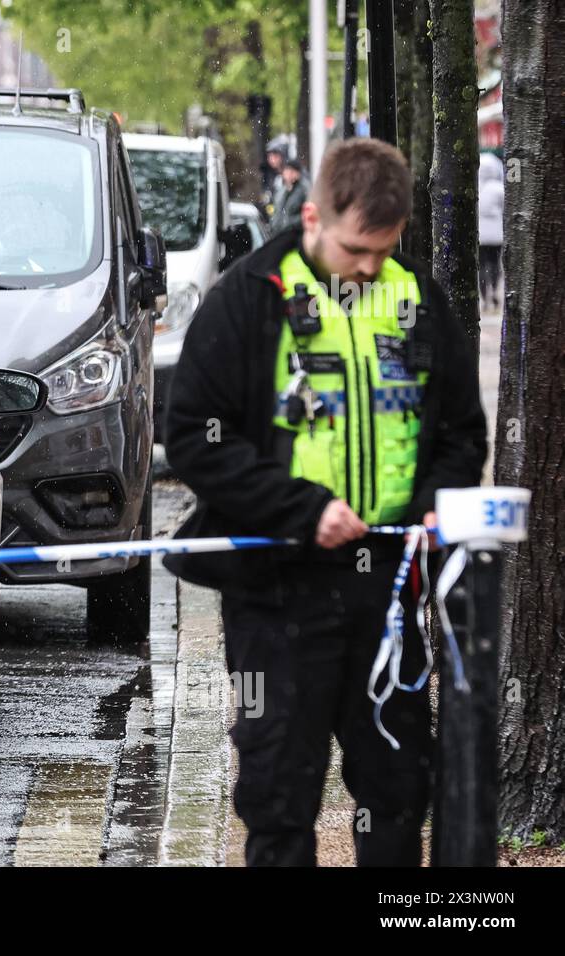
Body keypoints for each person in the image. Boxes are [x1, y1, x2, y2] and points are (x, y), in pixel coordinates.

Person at [163, 138, 486, 866]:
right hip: (278, 589)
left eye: (384, 250)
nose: (370, 268)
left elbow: (462, 434)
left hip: (392, 586)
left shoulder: (417, 301)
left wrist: (438, 502)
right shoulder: (247, 300)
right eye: (354, 250)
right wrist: (301, 509)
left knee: (399, 782)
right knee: (279, 791)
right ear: (312, 215)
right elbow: (193, 437)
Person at [477, 151, 504, 313]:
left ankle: (484, 295)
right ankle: (494, 288)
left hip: (481, 235)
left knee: (482, 265)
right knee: (495, 263)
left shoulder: (476, 186)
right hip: (496, 235)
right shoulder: (499, 188)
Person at [270, 157, 309, 233]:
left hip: (295, 234)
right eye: (286, 170)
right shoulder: (281, 191)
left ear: (298, 173)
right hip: (279, 234)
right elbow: (276, 211)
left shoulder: (304, 190)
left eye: (291, 171)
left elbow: (306, 214)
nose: (288, 174)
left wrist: (290, 222)